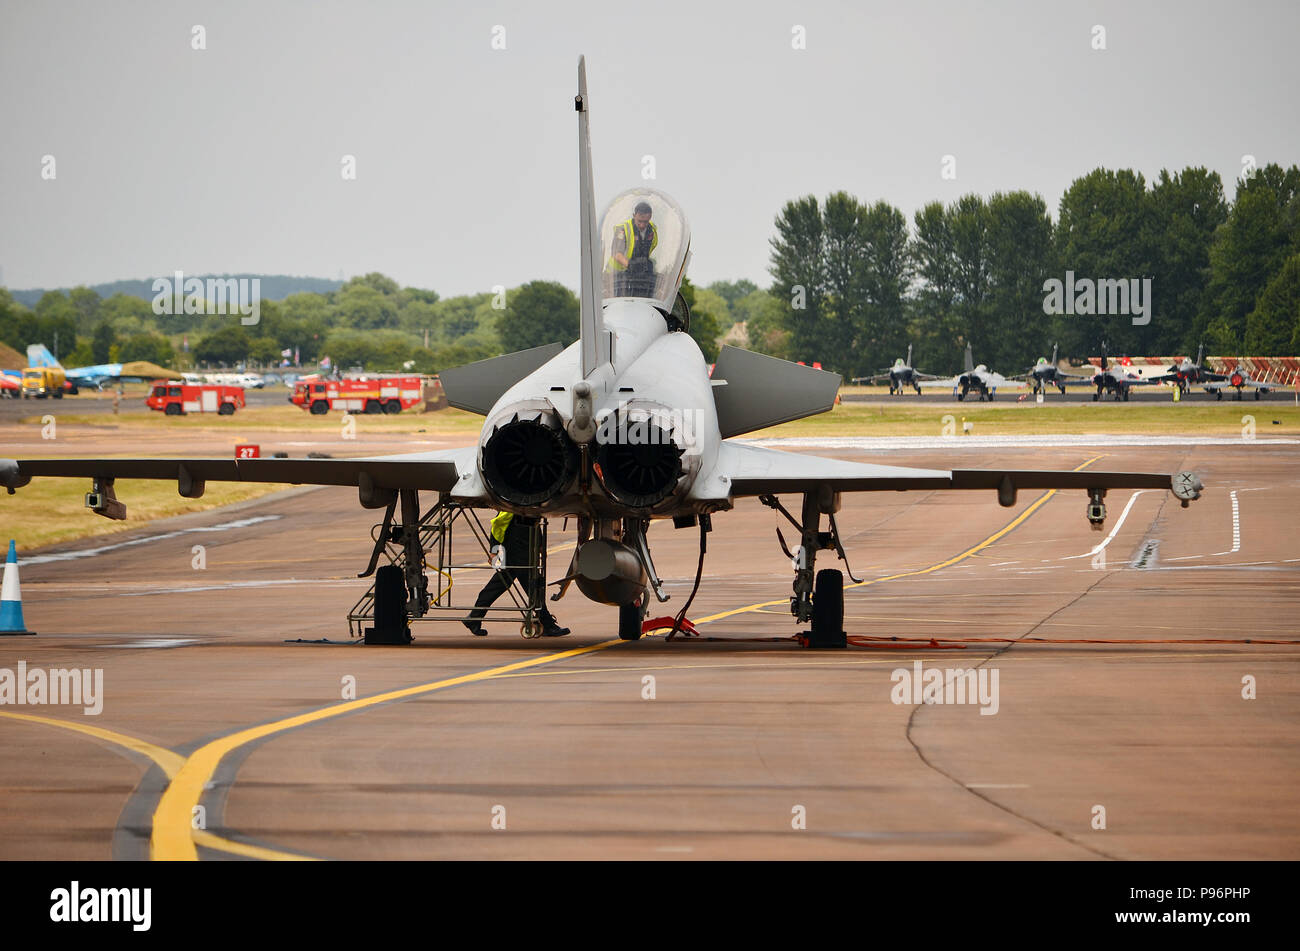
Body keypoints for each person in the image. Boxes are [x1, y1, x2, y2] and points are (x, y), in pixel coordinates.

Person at [463, 511, 569, 636]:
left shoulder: (529, 501)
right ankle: (547, 624)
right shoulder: (513, 503)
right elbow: (498, 524)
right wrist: (493, 550)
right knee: (532, 585)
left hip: (523, 543)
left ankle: (474, 617)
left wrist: (540, 545)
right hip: (516, 546)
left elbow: (534, 521)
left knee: (500, 583)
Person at [608, 200, 658, 297]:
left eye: (645, 222)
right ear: (634, 215)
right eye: (639, 221)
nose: (642, 225)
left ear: (650, 217)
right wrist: (631, 265)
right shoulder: (623, 229)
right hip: (617, 276)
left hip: (637, 278)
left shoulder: (652, 231)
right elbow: (617, 254)